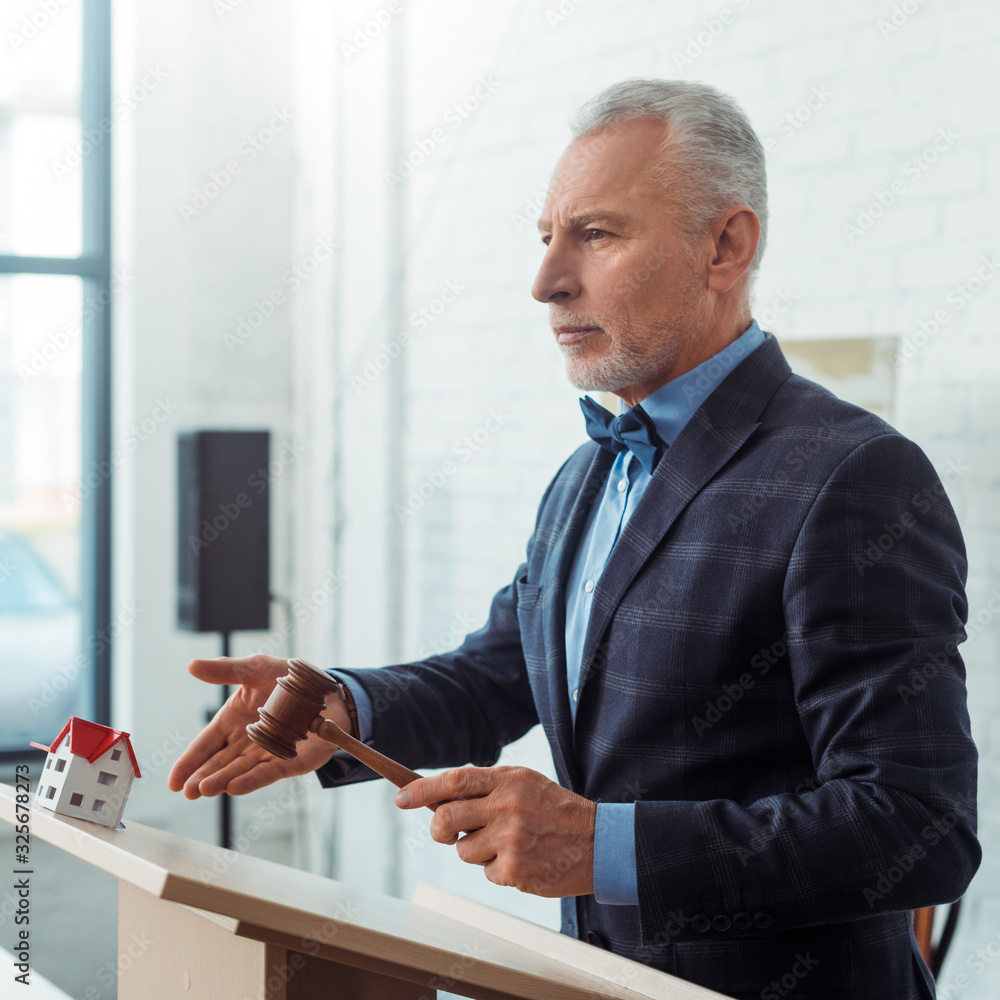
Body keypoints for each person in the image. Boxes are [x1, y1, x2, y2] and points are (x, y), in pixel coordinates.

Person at [168, 79, 979, 998]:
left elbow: (919, 827)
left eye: (595, 235)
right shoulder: (588, 473)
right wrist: (346, 708)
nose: (547, 281)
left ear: (726, 245)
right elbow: (500, 672)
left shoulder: (855, 475)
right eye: (547, 238)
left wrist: (604, 846)